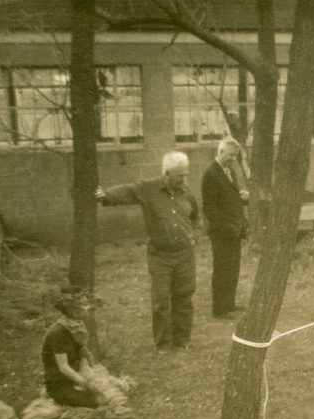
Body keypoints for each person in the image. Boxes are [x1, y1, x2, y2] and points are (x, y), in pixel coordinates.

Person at [96, 151, 199, 352]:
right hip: (160, 256)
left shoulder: (186, 193)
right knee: (161, 300)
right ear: (167, 173)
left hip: (185, 255)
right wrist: (105, 195)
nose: (184, 179)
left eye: (186, 175)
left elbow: (195, 216)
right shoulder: (148, 189)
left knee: (184, 297)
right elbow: (127, 191)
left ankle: (182, 341)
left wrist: (194, 234)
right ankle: (163, 344)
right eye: (180, 175)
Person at [202, 137, 250, 319]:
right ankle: (219, 309)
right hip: (222, 233)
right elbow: (210, 208)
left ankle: (229, 303)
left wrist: (242, 197)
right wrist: (226, 227)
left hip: (234, 231)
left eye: (235, 156)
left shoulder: (229, 171)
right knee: (222, 269)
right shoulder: (210, 174)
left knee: (233, 268)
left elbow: (228, 198)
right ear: (220, 152)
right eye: (230, 155)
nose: (232, 159)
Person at [42, 287, 97, 408]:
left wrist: (87, 368)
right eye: (82, 308)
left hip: (76, 373)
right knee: (95, 401)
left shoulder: (77, 326)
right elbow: (63, 367)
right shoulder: (58, 332)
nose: (86, 311)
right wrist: (84, 383)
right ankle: (56, 396)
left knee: (106, 392)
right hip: (60, 383)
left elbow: (81, 351)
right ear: (72, 310)